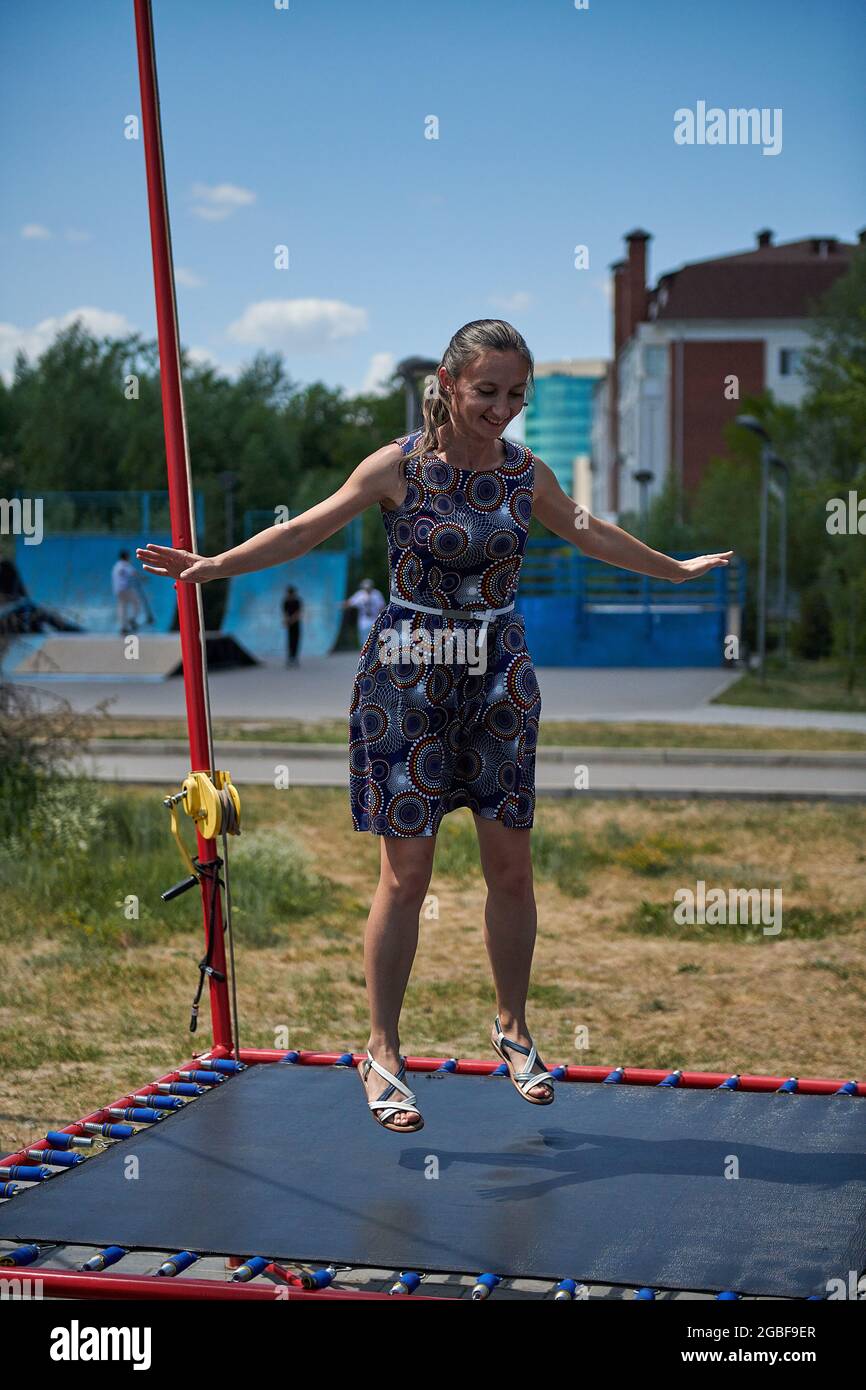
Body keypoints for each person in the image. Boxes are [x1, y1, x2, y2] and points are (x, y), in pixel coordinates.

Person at [135, 318, 733, 1135]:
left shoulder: (527, 474)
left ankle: (513, 1029)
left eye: (516, 395)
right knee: (406, 877)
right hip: (408, 679)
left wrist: (674, 566)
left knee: (511, 870)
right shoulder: (399, 466)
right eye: (488, 391)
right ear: (450, 385)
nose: (503, 409)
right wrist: (214, 565)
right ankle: (381, 1049)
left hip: (498, 681)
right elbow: (307, 527)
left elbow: (589, 531)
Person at [340, 577, 385, 648]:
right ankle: (366, 654)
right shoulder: (360, 595)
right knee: (364, 639)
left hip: (375, 619)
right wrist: (341, 605)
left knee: (376, 638)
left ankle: (375, 653)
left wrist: (382, 618)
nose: (367, 589)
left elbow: (381, 607)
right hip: (364, 620)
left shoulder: (376, 594)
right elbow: (350, 602)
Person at [111, 549, 145, 635]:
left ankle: (123, 627)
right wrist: (143, 578)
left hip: (118, 590)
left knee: (122, 608)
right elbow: (134, 573)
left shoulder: (116, 566)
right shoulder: (126, 565)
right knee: (137, 604)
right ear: (126, 557)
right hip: (126, 589)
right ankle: (132, 619)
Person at [282, 584, 303, 666]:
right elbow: (285, 613)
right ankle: (290, 657)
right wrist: (287, 620)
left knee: (296, 640)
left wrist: (291, 620)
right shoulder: (286, 601)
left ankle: (295, 657)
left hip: (296, 623)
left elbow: (298, 613)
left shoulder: (297, 601)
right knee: (290, 641)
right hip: (290, 624)